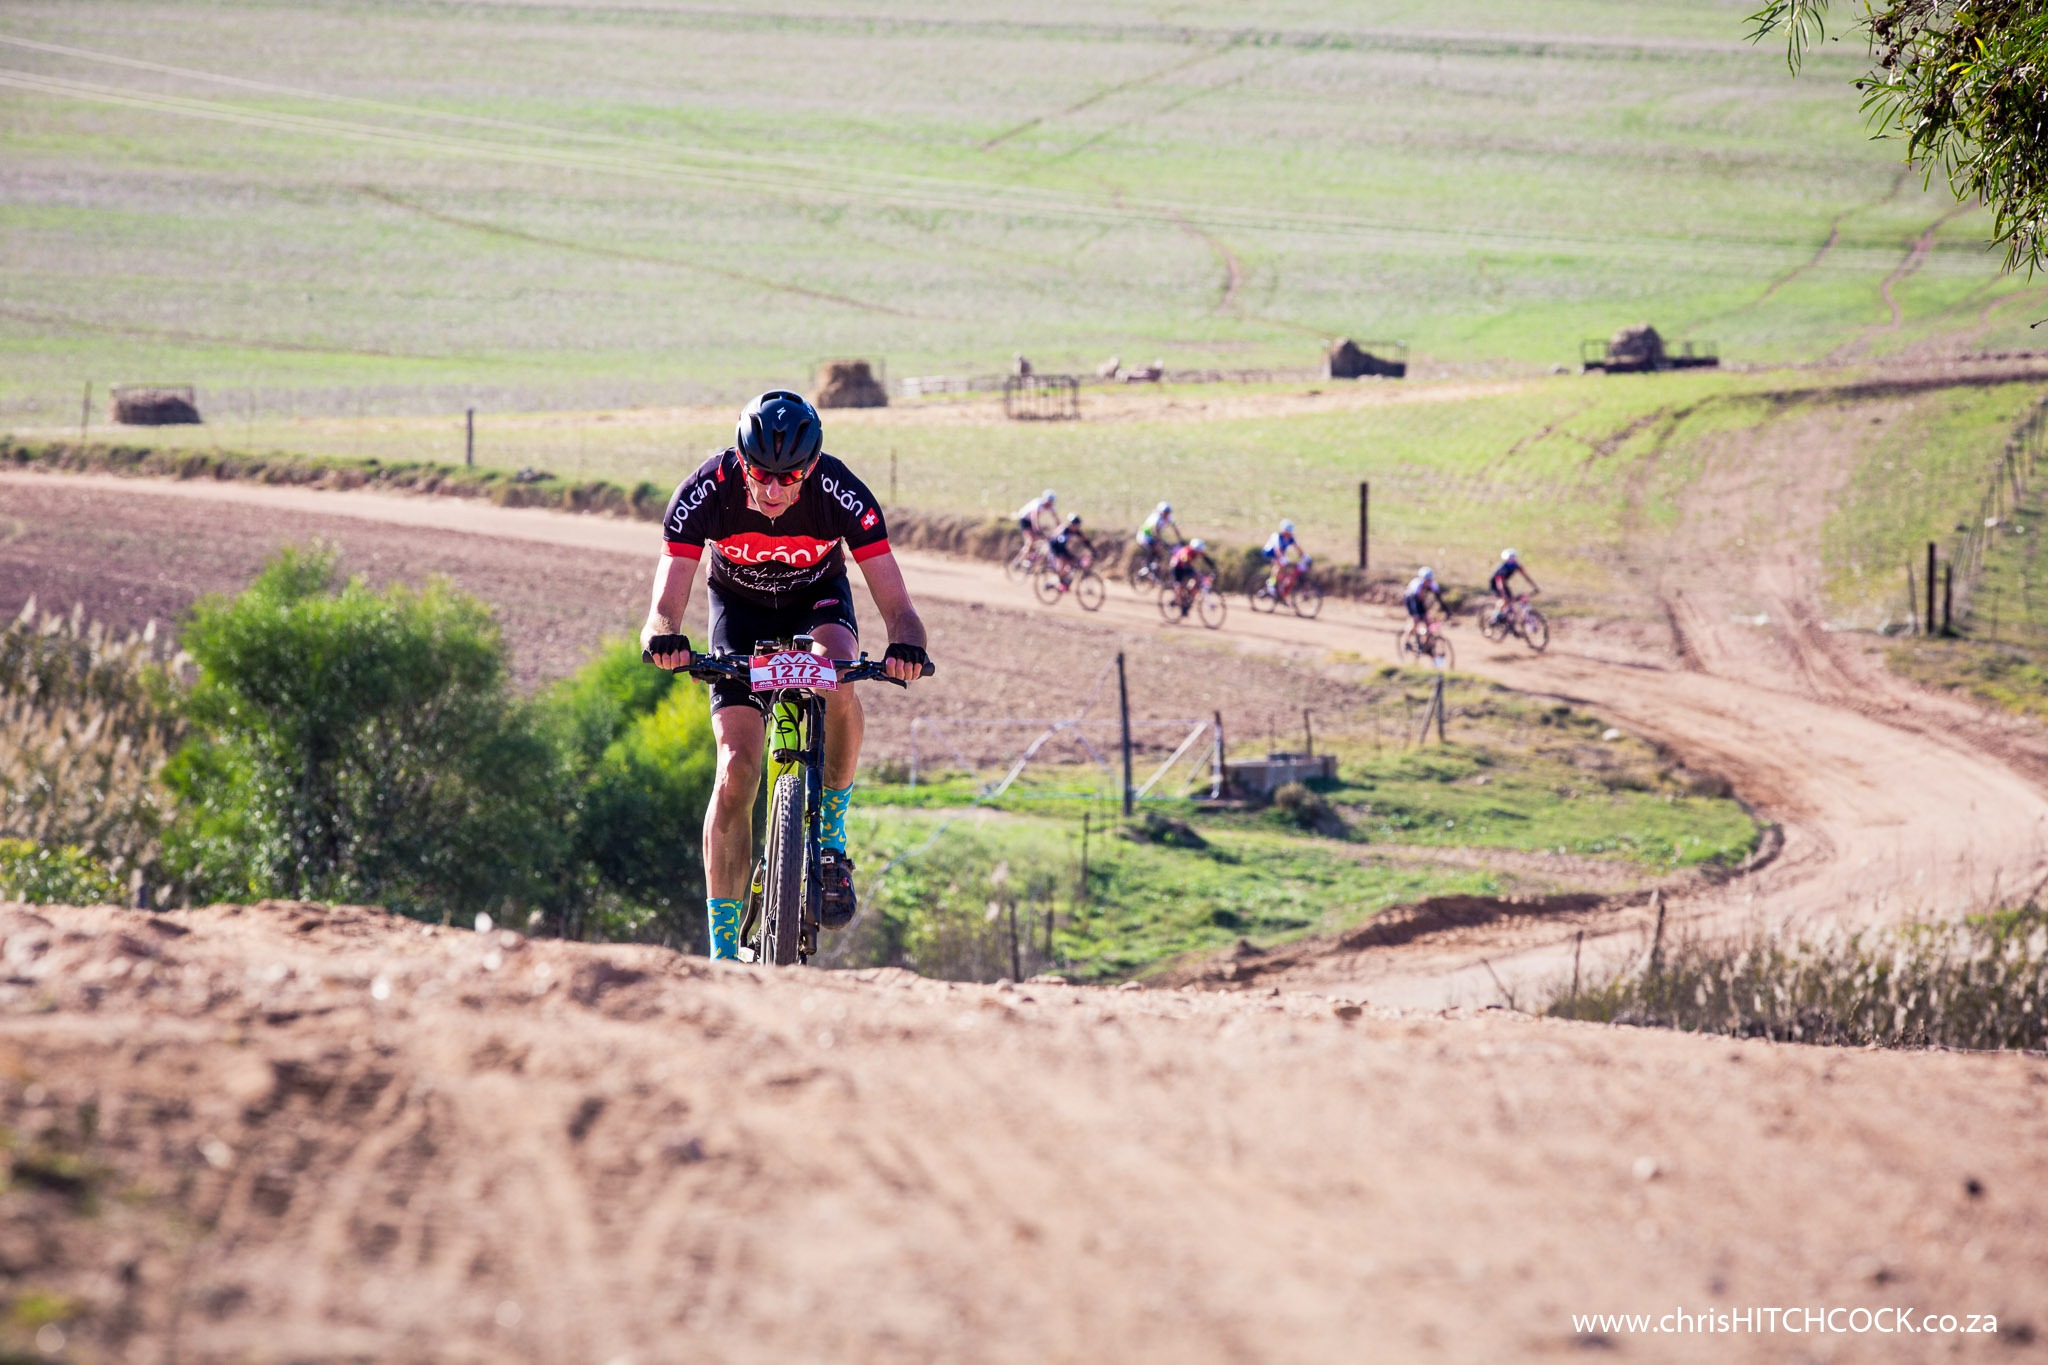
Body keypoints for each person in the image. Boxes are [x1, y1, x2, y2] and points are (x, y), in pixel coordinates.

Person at [642, 390, 930, 960]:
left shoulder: (839, 491)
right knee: (735, 771)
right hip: (738, 614)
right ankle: (725, 950)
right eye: (760, 474)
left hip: (816, 603)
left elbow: (900, 608)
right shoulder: (705, 490)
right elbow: (663, 606)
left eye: (790, 476)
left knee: (836, 675)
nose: (773, 490)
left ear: (812, 468)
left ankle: (830, 839)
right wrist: (663, 639)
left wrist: (906, 647)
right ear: (739, 461)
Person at [1261, 518, 1312, 596]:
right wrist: (1282, 558)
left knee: (1288, 569)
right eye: (1288, 532)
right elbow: (1277, 549)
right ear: (1284, 531)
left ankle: (1281, 589)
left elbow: (1298, 548)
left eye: (1290, 532)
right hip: (1269, 554)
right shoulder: (1276, 536)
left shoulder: (1290, 538)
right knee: (1279, 565)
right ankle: (1271, 583)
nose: (1290, 534)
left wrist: (1305, 556)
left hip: (1280, 555)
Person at [1489, 549, 1540, 626]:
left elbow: (1526, 577)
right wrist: (1503, 594)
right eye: (1511, 558)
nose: (1513, 560)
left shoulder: (1516, 565)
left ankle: (1508, 617)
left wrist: (1534, 586)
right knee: (1505, 600)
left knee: (1512, 600)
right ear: (1507, 559)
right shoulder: (1503, 568)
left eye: (1514, 558)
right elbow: (1499, 582)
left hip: (1503, 583)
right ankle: (1495, 617)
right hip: (1495, 584)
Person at [1168, 538, 1217, 616]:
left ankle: (1188, 597)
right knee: (1179, 586)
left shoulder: (1197, 551)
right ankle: (1179, 602)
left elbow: (1206, 559)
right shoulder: (1187, 551)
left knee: (1197, 581)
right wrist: (1193, 571)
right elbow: (1184, 559)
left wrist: (1214, 568)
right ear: (1195, 548)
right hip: (1177, 567)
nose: (1200, 552)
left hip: (1186, 567)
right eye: (1199, 550)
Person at [1402, 565, 1448, 650]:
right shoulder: (1416, 585)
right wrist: (1416, 615)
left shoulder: (1433, 585)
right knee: (1415, 622)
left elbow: (1439, 599)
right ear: (1422, 579)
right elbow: (1413, 603)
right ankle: (1406, 641)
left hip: (1419, 602)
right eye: (1426, 580)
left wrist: (1446, 610)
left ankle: (1423, 644)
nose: (1428, 582)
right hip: (1410, 601)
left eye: (1429, 580)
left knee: (1428, 621)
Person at [1133, 501, 1182, 575]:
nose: (1166, 514)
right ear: (1160, 511)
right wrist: (1160, 540)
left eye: (1168, 512)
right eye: (1165, 512)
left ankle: (1155, 564)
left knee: (1161, 548)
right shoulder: (1156, 517)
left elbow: (1175, 528)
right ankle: (1148, 565)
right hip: (1144, 535)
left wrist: (1180, 539)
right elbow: (1155, 530)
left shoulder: (1168, 517)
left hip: (1152, 536)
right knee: (1154, 546)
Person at [1048, 513, 1095, 584]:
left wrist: (1093, 550)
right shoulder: (1064, 530)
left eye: (1078, 525)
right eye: (1076, 525)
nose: (1077, 527)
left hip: (1061, 547)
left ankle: (1064, 577)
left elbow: (1085, 541)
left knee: (1071, 562)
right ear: (1072, 524)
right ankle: (1058, 580)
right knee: (1063, 562)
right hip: (1055, 546)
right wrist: (1065, 555)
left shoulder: (1076, 531)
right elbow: (1060, 545)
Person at [1015, 489, 1059, 558]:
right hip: (1024, 519)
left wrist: (1060, 528)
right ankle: (1018, 560)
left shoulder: (1050, 506)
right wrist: (1037, 528)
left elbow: (1056, 519)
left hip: (1031, 521)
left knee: (1037, 540)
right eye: (1049, 501)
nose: (1049, 503)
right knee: (1030, 541)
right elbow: (1034, 517)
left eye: (1051, 502)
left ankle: (1030, 557)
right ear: (1045, 499)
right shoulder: (1038, 503)